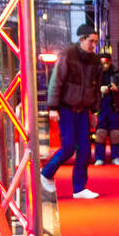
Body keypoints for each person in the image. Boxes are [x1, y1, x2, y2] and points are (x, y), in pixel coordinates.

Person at [42, 23, 101, 199]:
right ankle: (46, 173)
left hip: (83, 110)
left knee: (84, 149)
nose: (93, 45)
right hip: (66, 108)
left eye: (95, 42)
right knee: (68, 147)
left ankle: (79, 188)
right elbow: (56, 81)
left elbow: (96, 88)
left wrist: (95, 111)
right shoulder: (68, 55)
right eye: (91, 41)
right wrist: (53, 107)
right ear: (82, 39)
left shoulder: (96, 61)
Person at [94, 51, 119, 166]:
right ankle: (99, 157)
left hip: (114, 105)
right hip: (100, 105)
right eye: (102, 62)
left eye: (107, 62)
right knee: (100, 132)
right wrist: (99, 89)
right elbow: (89, 88)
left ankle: (115, 156)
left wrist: (116, 88)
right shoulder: (95, 74)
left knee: (115, 133)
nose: (105, 64)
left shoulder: (116, 73)